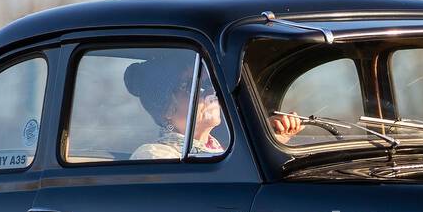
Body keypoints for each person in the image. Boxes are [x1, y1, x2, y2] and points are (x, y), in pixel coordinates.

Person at [123, 57, 304, 159]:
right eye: (191, 85)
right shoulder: (154, 156)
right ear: (166, 110)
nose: (209, 91)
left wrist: (270, 140)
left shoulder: (223, 151)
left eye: (208, 83)